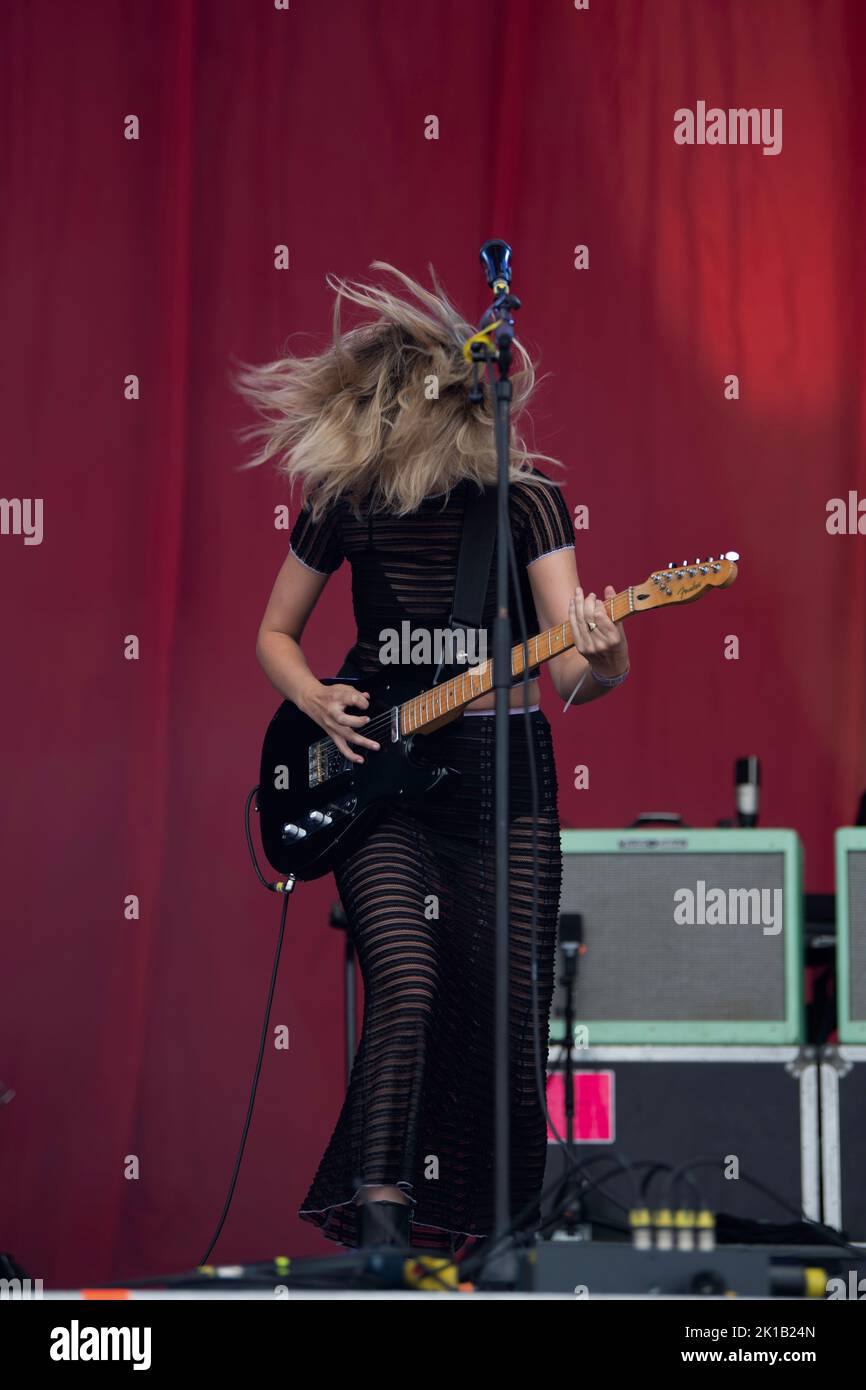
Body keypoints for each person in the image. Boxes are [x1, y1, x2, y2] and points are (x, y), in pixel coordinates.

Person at [236, 263, 630, 1252]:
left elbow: (570, 676)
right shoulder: (348, 505)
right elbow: (273, 635)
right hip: (378, 784)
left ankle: (487, 1228)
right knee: (405, 980)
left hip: (503, 782)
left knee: (505, 1013)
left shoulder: (527, 505)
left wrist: (607, 654)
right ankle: (379, 1210)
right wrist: (313, 695)